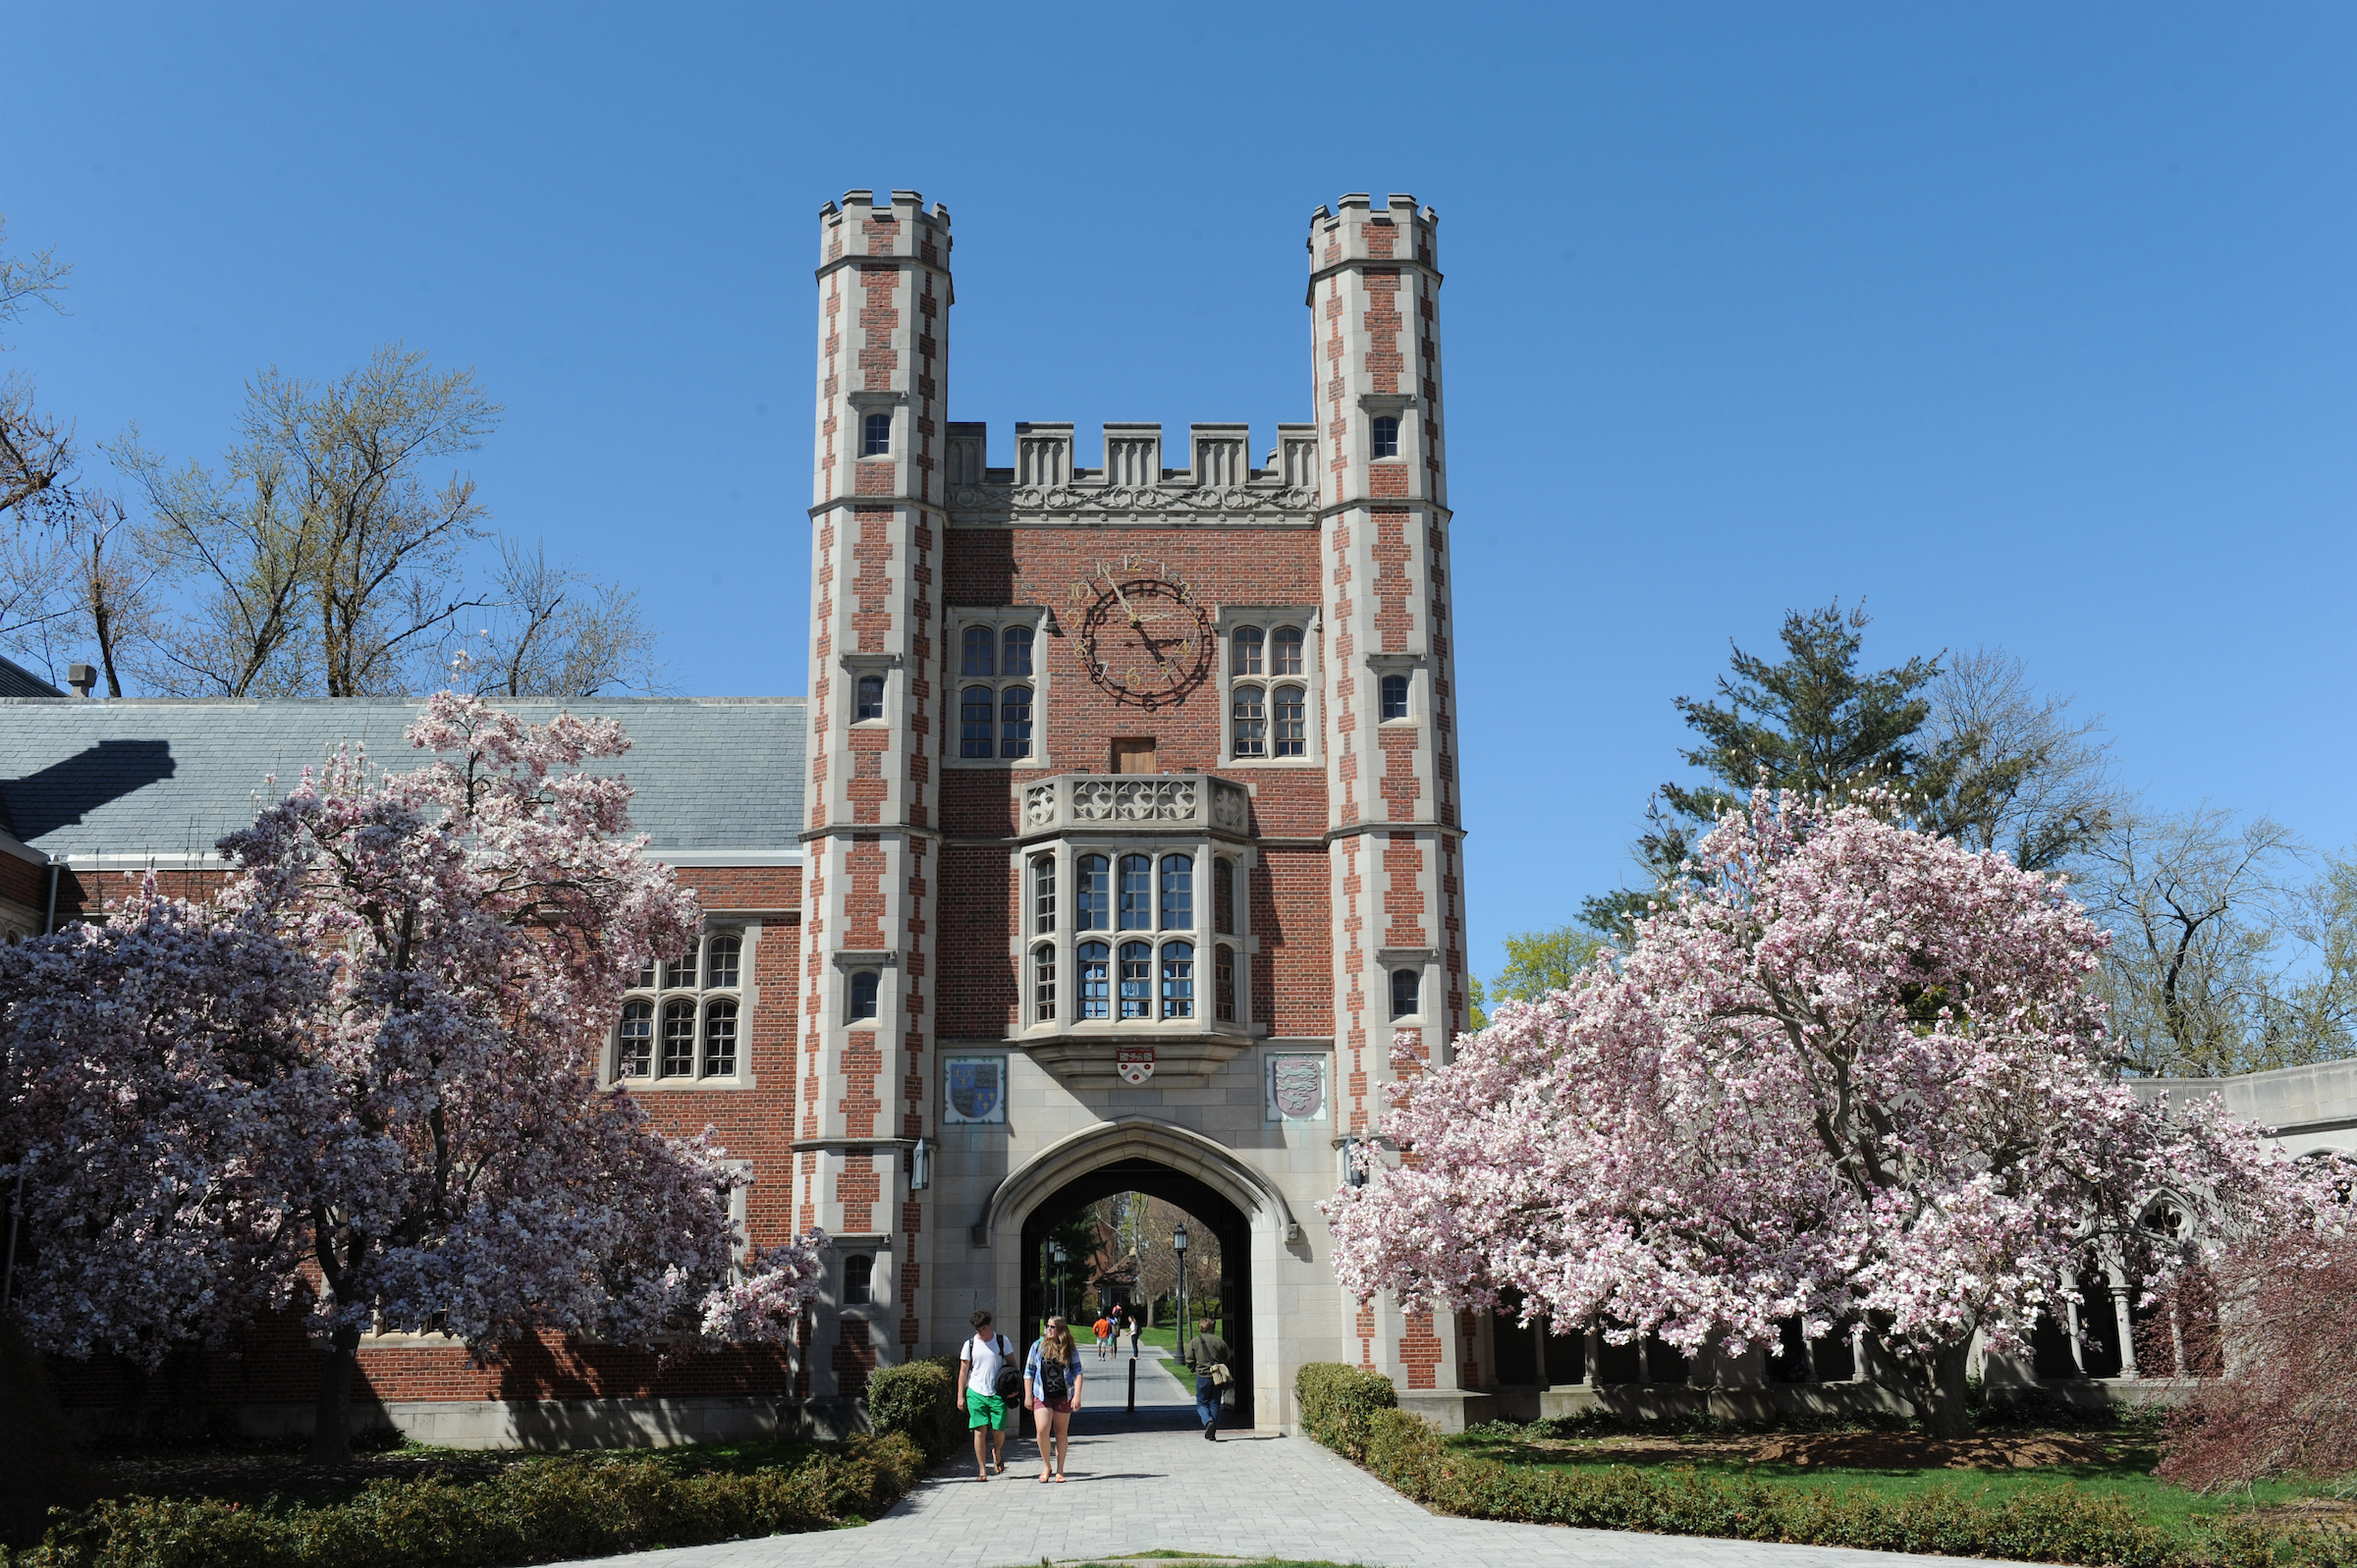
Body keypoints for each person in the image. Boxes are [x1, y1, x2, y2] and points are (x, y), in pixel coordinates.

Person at [957, 1309, 1017, 1482]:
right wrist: (960, 1395)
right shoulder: (970, 1345)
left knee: (998, 1431)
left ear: (989, 1324)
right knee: (979, 1431)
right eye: (978, 1329)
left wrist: (1015, 1388)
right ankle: (982, 1470)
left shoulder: (1001, 1341)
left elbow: (1013, 1366)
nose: (981, 1332)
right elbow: (963, 1371)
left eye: (983, 1328)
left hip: (997, 1393)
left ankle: (997, 1451)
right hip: (975, 1392)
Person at [1025, 1314, 1084, 1482]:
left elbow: (1078, 1372)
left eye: (1052, 1327)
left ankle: (1060, 1470)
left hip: (1063, 1394)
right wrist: (1028, 1395)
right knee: (1042, 1429)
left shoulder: (1069, 1348)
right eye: (1047, 1327)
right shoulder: (1038, 1346)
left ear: (1060, 1330)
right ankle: (1046, 1465)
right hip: (1042, 1394)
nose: (1048, 1330)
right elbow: (1029, 1371)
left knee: (1060, 1432)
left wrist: (1077, 1395)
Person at [1181, 1315, 1234, 1441]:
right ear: (1212, 1328)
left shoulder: (1195, 1342)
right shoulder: (1219, 1341)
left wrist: (1194, 1369)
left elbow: (1189, 1359)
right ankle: (1212, 1431)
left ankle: (1207, 1421)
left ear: (1200, 1328)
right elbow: (1227, 1356)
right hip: (1217, 1377)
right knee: (1215, 1403)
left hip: (1202, 1376)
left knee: (1201, 1403)